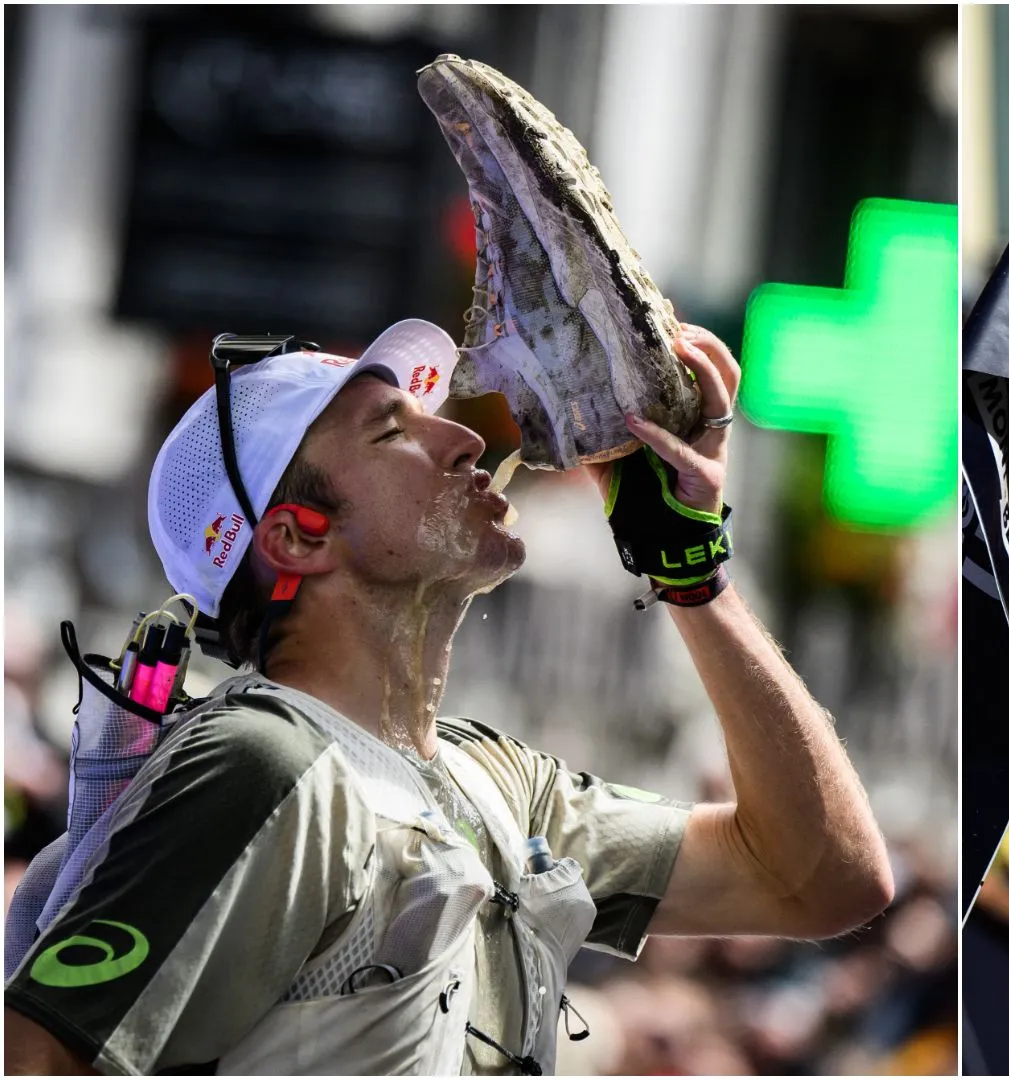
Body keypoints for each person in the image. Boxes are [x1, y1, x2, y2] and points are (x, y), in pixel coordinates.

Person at [3, 318, 893, 1074]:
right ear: (296, 537)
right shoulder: (262, 763)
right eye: (392, 432)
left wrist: (692, 573)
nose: (465, 438)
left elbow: (821, 881)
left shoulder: (495, 784)